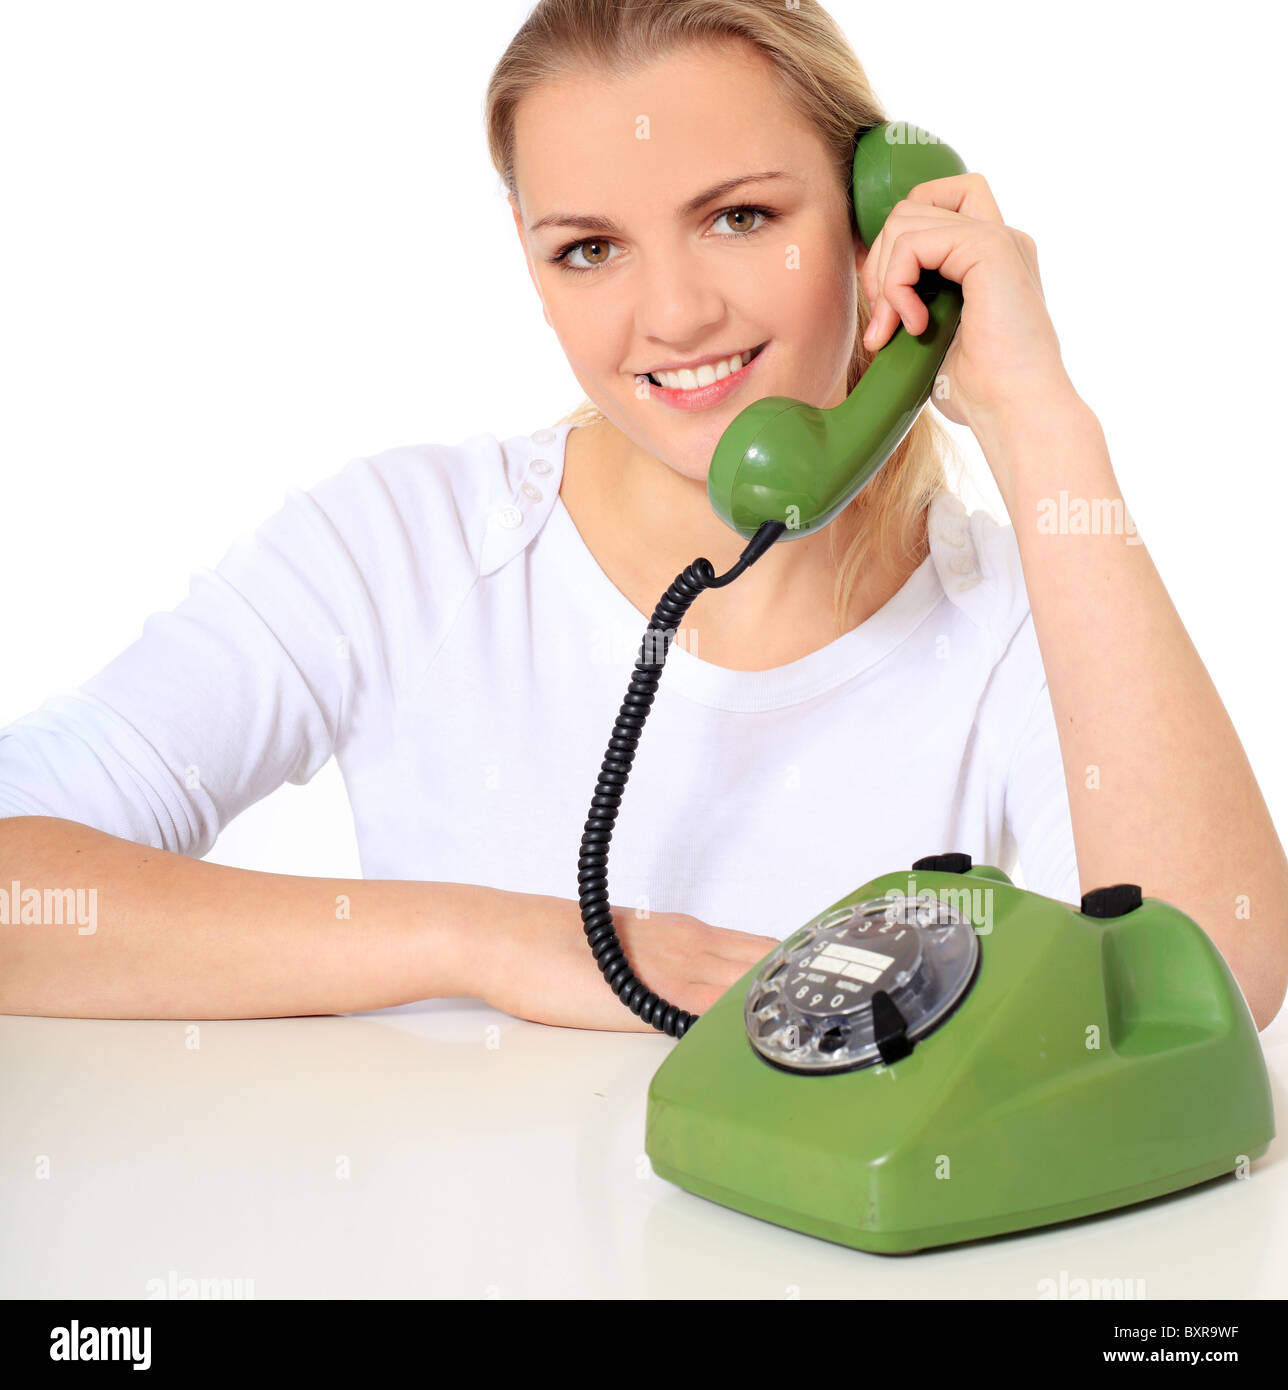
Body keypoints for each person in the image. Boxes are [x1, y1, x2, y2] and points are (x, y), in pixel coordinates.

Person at [2, 0, 1284, 1031]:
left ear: (873, 219)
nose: (671, 316)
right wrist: (503, 940)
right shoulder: (402, 545)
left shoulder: (1013, 621)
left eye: (738, 217)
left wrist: (1036, 415)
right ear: (529, 257)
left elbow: (1208, 980)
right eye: (590, 249)